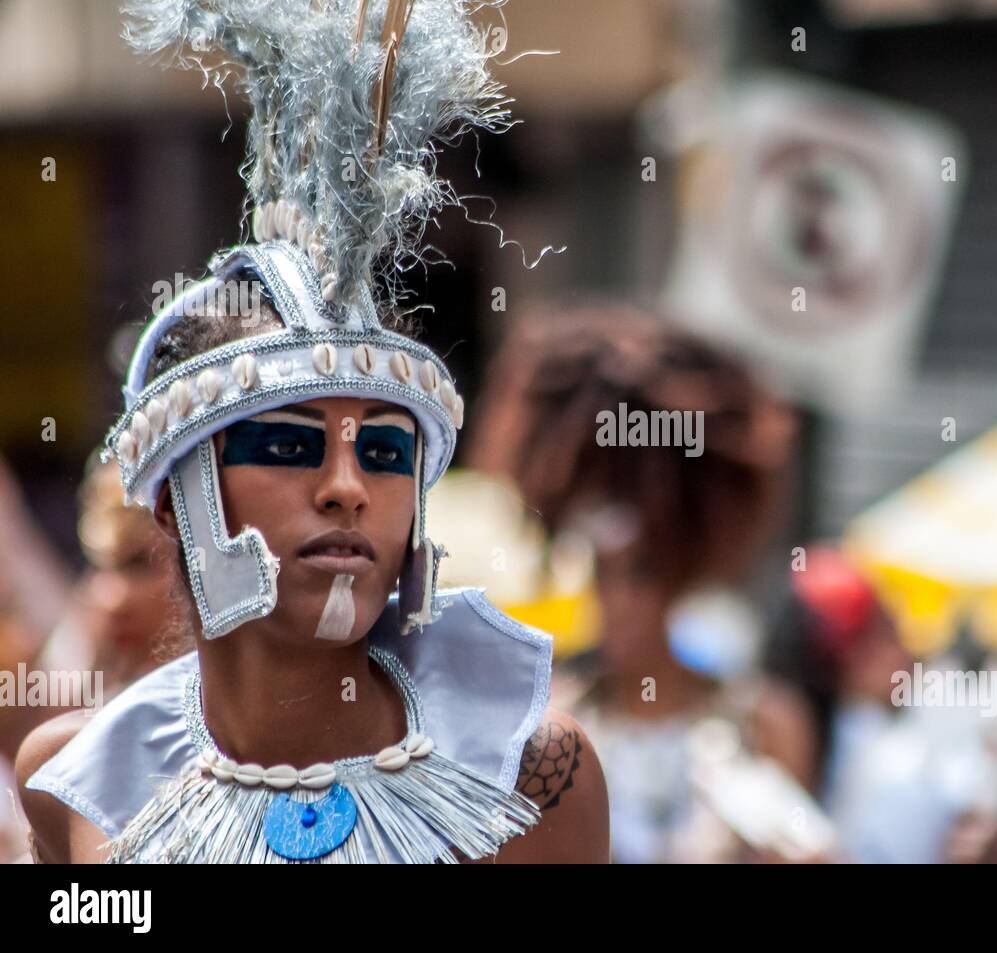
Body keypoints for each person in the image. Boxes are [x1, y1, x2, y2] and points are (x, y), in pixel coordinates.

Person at [16, 0, 607, 864]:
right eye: (290, 447)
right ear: (180, 501)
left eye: (384, 452)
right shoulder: (77, 781)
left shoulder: (525, 773)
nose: (346, 485)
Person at [471, 305, 817, 862]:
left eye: (644, 569)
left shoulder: (765, 722)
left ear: (684, 565)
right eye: (602, 569)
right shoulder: (546, 727)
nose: (619, 598)